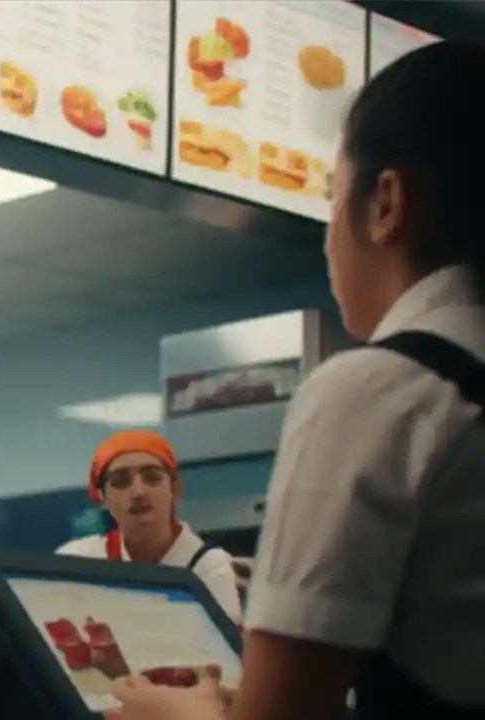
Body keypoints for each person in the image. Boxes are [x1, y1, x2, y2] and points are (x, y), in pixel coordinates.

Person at [111, 40, 485, 720]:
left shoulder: (381, 390)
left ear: (386, 204)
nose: (327, 234)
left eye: (331, 195)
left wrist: (176, 716)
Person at [56, 430, 242, 623]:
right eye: (121, 481)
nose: (138, 492)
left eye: (152, 478)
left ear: (175, 490)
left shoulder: (209, 568)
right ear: (103, 498)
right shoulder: (77, 562)